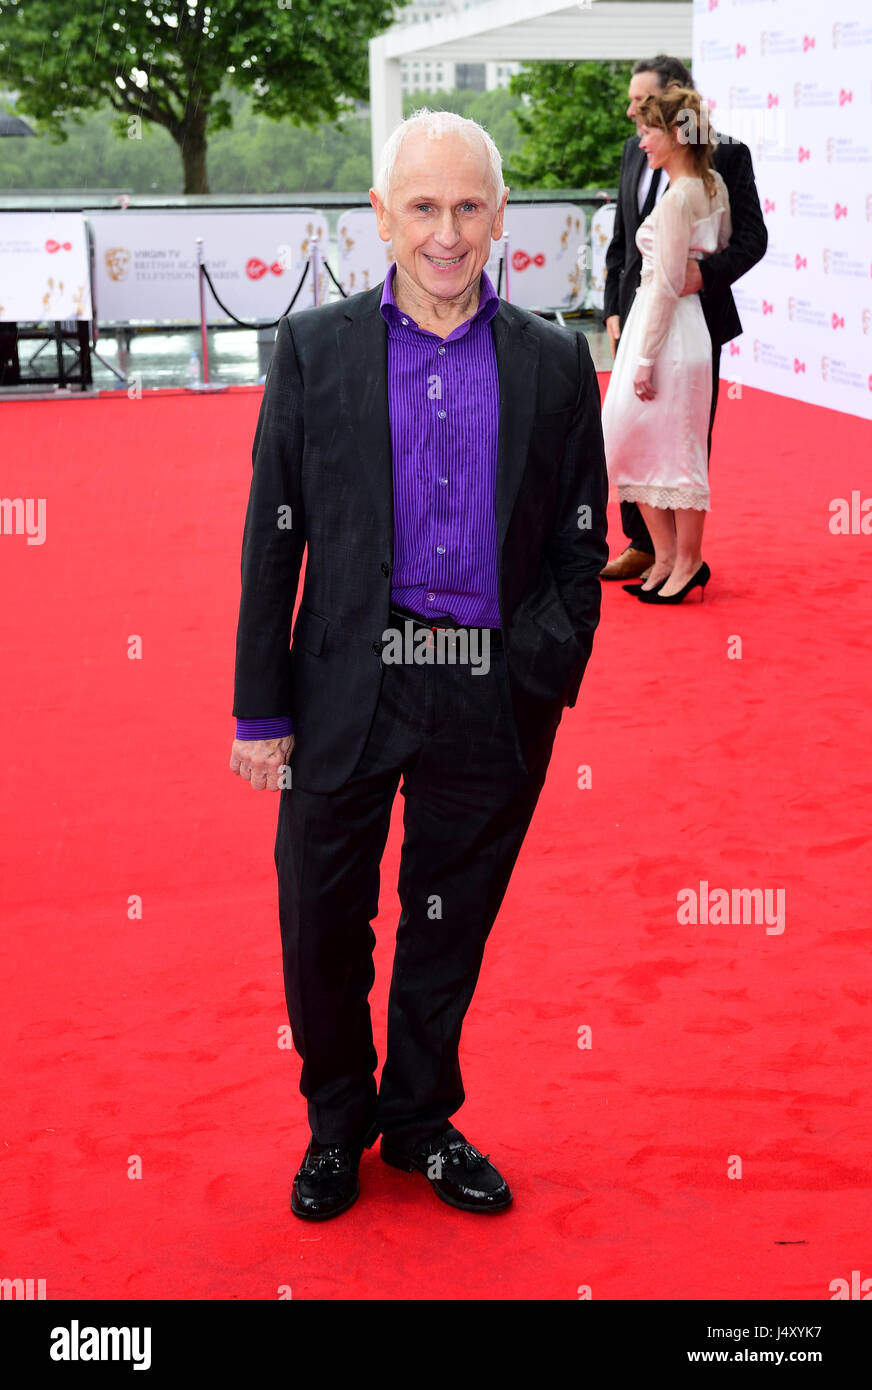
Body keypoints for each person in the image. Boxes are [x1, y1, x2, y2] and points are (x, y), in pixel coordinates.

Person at [229, 110, 608, 1220]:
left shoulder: (550, 361)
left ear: (500, 218)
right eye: (423, 207)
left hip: (487, 690)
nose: (446, 233)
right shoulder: (312, 350)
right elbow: (274, 537)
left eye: (468, 206)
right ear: (379, 218)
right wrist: (261, 712)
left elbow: (581, 539)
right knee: (319, 918)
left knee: (450, 915)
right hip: (348, 676)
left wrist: (535, 663)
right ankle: (336, 1125)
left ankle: (418, 1119)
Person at [601, 55, 768, 581]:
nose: (631, 113)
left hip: (695, 318)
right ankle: (648, 545)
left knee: (680, 436)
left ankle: (681, 557)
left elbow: (751, 240)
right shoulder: (637, 149)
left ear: (673, 100)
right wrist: (610, 306)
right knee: (635, 434)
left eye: (641, 102)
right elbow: (622, 241)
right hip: (637, 315)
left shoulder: (728, 157)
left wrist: (704, 274)